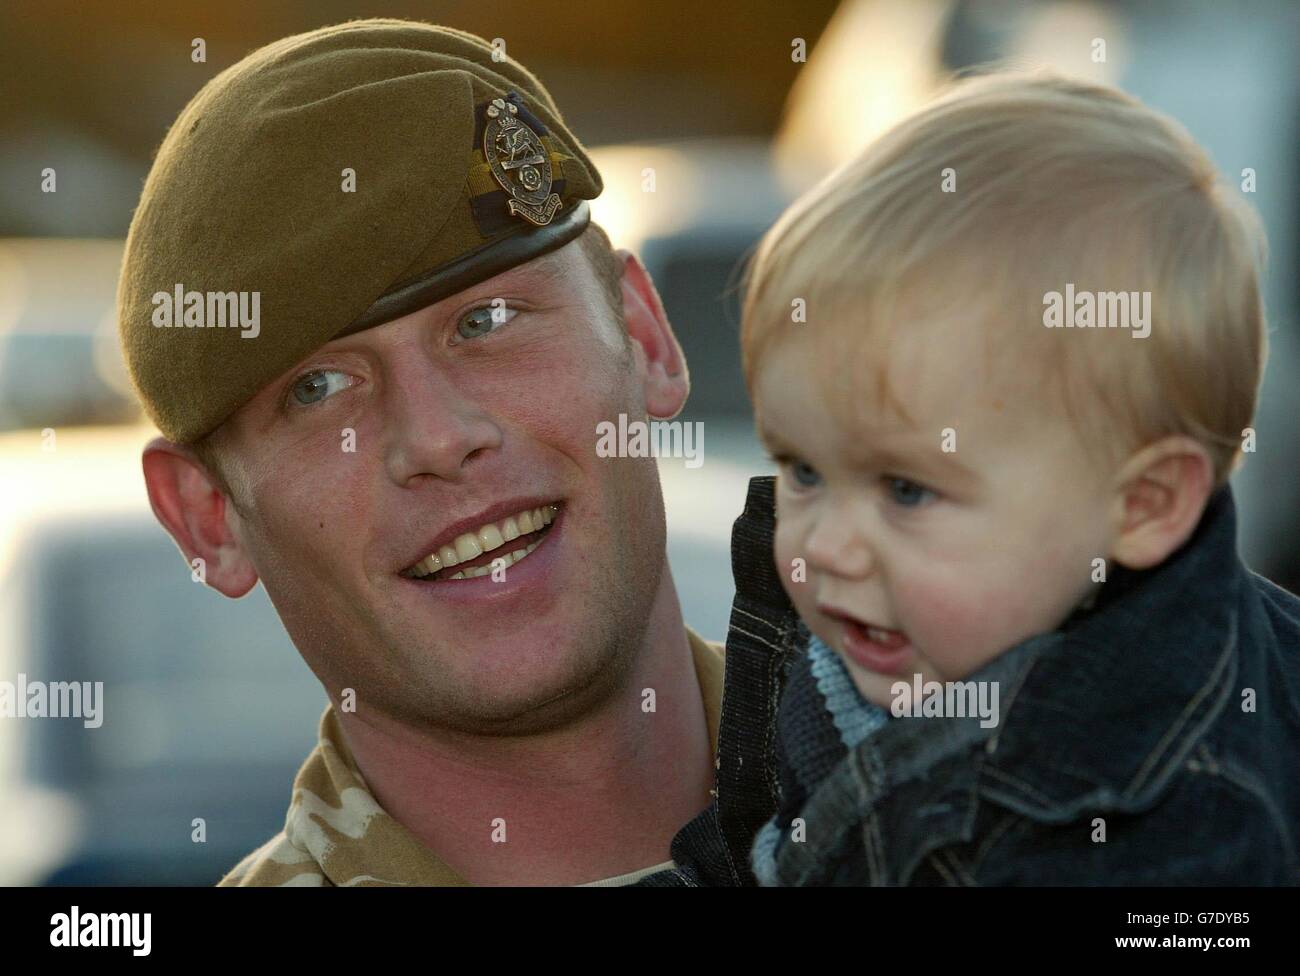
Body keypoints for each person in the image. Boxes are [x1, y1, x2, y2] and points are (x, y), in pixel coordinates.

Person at [116, 19, 728, 886]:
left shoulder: (969, 808)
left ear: (643, 338)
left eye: (487, 322)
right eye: (317, 389)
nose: (438, 437)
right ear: (209, 518)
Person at [729, 70, 1300, 884]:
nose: (826, 547)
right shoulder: (886, 637)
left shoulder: (1178, 827)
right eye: (804, 470)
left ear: (1143, 505)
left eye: (906, 490)